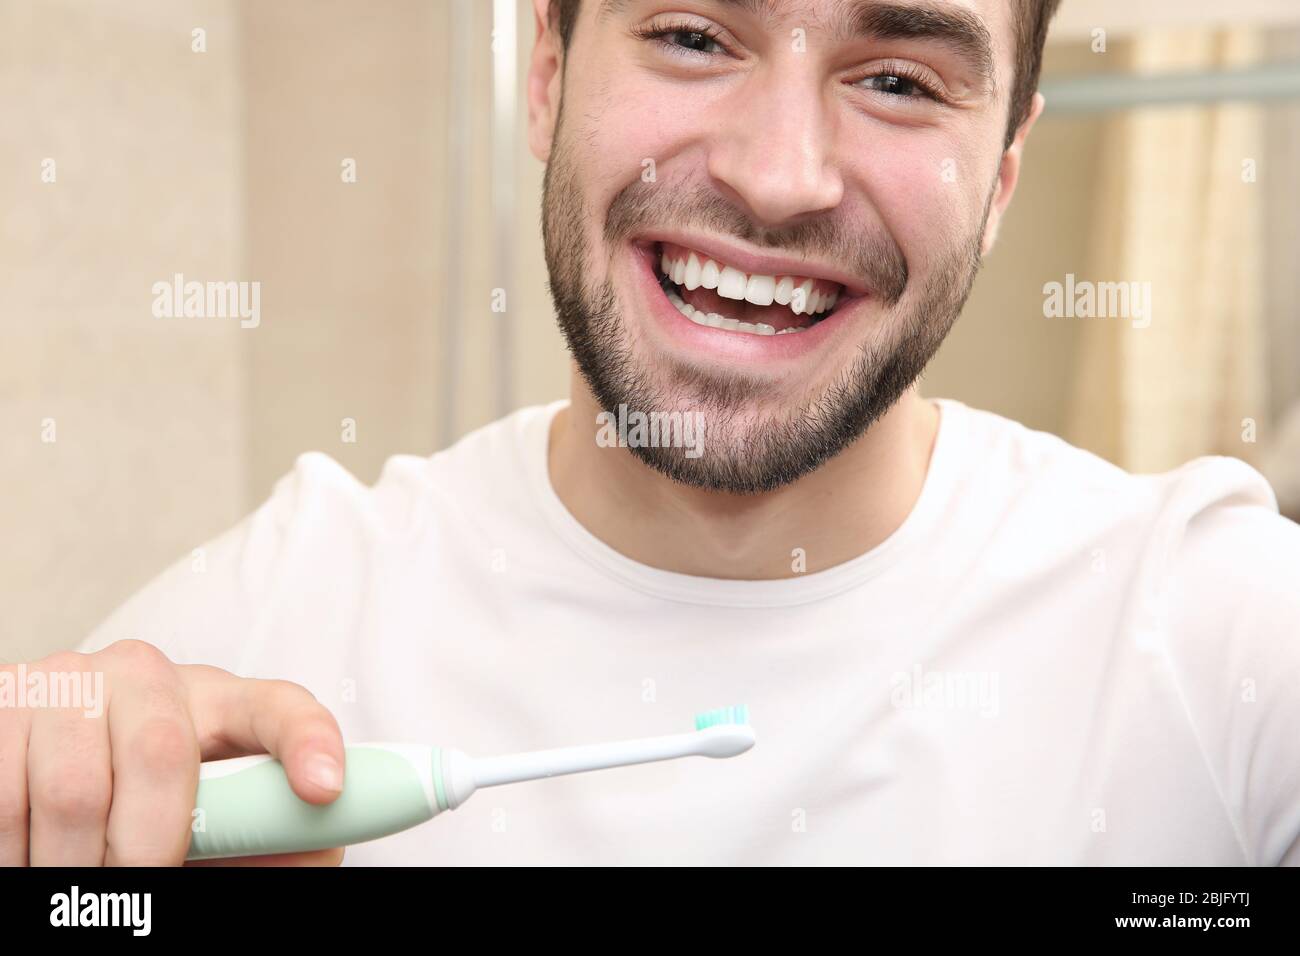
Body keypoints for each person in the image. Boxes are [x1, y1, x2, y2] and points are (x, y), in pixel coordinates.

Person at [6, 0, 1299, 866]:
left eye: (899, 80)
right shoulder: (269, 621)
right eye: (694, 34)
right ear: (547, 80)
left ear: (1003, 177)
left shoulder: (1217, 635)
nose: (780, 174)